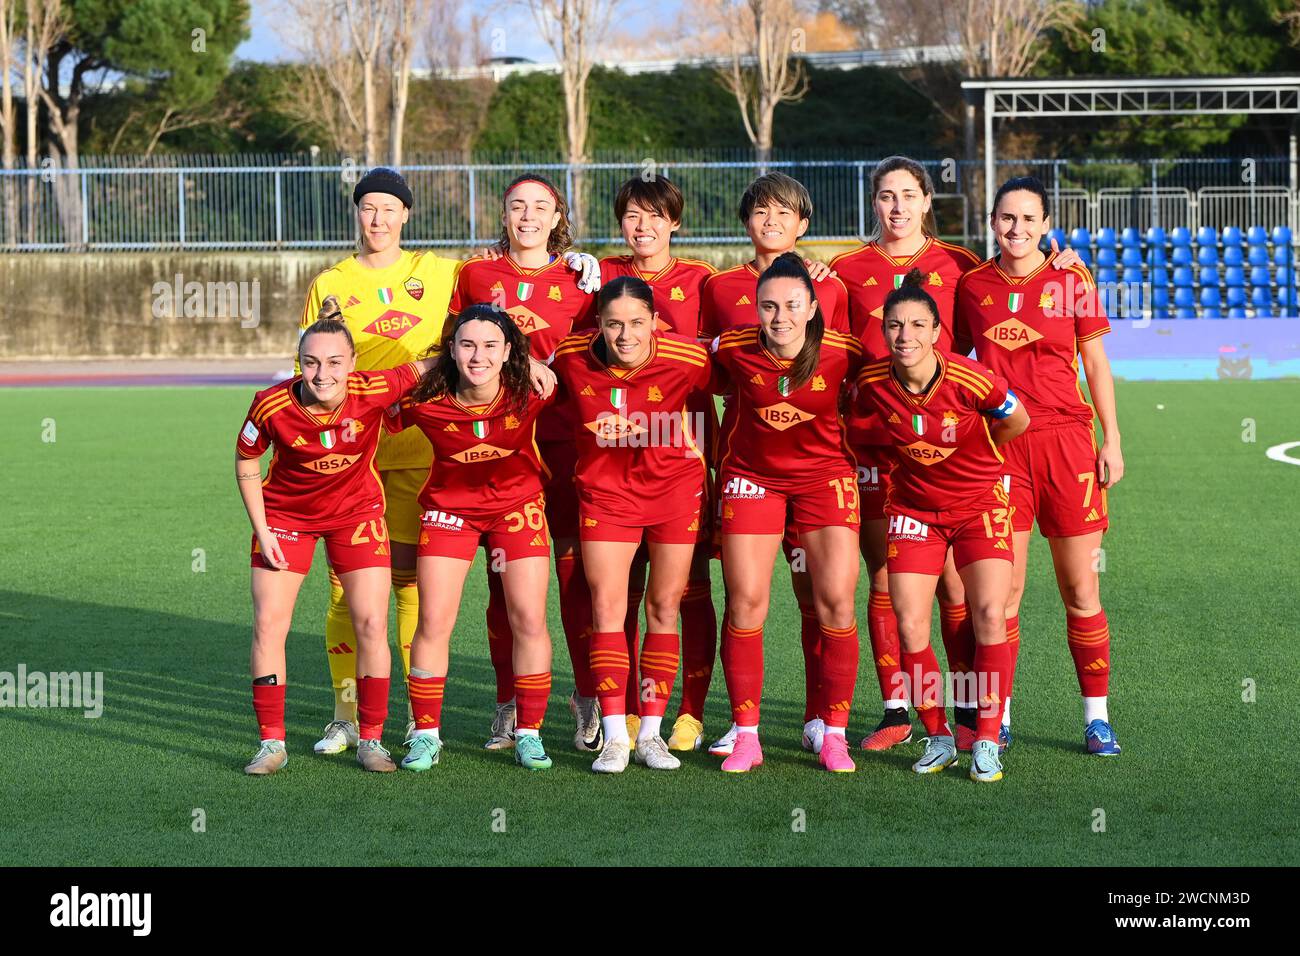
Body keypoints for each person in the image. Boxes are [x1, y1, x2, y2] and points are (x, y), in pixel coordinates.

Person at [832, 156, 1084, 753]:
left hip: (949, 452)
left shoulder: (963, 266)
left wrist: (1063, 263)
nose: (897, 207)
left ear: (926, 202)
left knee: (954, 589)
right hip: (880, 437)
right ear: (875, 204)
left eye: (908, 196)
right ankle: (898, 706)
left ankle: (970, 710)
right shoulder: (841, 271)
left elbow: (986, 334)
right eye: (886, 196)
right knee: (886, 581)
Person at [953, 176, 1123, 756]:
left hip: (1068, 445)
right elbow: (944, 355)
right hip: (1000, 448)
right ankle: (996, 716)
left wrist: (1112, 439)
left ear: (1046, 223)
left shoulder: (1071, 279)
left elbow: (1096, 364)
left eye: (1028, 218)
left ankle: (1096, 717)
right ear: (992, 222)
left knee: (1081, 586)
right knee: (1003, 595)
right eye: (1006, 218)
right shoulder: (972, 286)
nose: (1017, 229)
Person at [298, 167, 460, 756]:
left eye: (389, 208)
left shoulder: (439, 272)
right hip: (353, 460)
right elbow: (311, 373)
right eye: (368, 207)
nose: (378, 219)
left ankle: (421, 722)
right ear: (356, 213)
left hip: (424, 451)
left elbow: (510, 271)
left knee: (412, 584)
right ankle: (345, 715)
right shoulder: (330, 282)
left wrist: (576, 262)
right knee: (346, 593)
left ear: (406, 215)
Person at [237, 300, 432, 775]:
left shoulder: (376, 388)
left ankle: (371, 740)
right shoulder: (271, 404)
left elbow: (430, 364)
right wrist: (263, 531)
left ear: (353, 365)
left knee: (370, 623)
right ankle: (271, 744)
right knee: (269, 624)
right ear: (298, 362)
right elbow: (246, 464)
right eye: (311, 363)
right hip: (286, 517)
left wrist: (518, 359)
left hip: (356, 514)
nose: (322, 374)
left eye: (334, 362)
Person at [855, 270, 1030, 782]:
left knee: (990, 616)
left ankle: (989, 739)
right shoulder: (872, 382)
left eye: (916, 325)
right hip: (913, 510)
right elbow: (859, 425)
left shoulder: (969, 378)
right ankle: (938, 736)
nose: (904, 336)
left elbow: (1017, 419)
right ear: (884, 332)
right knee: (910, 624)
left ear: (936, 332)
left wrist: (986, 454)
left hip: (980, 505)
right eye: (894, 326)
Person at [699, 172, 850, 759]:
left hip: (824, 476)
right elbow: (689, 365)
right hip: (751, 473)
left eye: (783, 212)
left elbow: (868, 380)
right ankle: (746, 731)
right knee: (745, 601)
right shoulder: (724, 304)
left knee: (828, 600)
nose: (780, 315)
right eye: (760, 211)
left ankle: (827, 726)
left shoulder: (833, 296)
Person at [448, 174, 600, 751]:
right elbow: (453, 352)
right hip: (495, 452)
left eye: (541, 206)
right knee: (502, 585)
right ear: (504, 213)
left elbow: (600, 356)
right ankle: (508, 702)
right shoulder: (476, 275)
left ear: (558, 214)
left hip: (564, 447)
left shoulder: (582, 279)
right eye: (518, 206)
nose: (529, 216)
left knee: (572, 581)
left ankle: (586, 699)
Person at [384, 304, 560, 772]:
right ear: (452, 350)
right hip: (449, 512)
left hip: (516, 508)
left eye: (489, 346)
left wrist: (540, 365)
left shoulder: (534, 391)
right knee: (434, 619)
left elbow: (582, 368)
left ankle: (528, 732)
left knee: (528, 617)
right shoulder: (424, 400)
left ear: (507, 352)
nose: (477, 356)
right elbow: (369, 411)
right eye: (466, 345)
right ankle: (424, 735)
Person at [551, 276, 713, 772]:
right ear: (598, 322)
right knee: (607, 609)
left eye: (637, 323)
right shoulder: (570, 358)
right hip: (605, 496)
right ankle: (616, 736)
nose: (625, 335)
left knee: (664, 607)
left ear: (655, 322)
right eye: (614, 323)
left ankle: (651, 735)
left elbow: (743, 383)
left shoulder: (690, 358)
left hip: (674, 493)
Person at [598, 175, 718, 752]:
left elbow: (755, 332)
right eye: (631, 215)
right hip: (614, 460)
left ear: (675, 222)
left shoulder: (704, 281)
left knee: (686, 590)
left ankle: (688, 713)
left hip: (686, 451)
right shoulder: (598, 276)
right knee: (616, 593)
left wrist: (810, 267)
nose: (642, 226)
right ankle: (613, 714)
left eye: (654, 215)